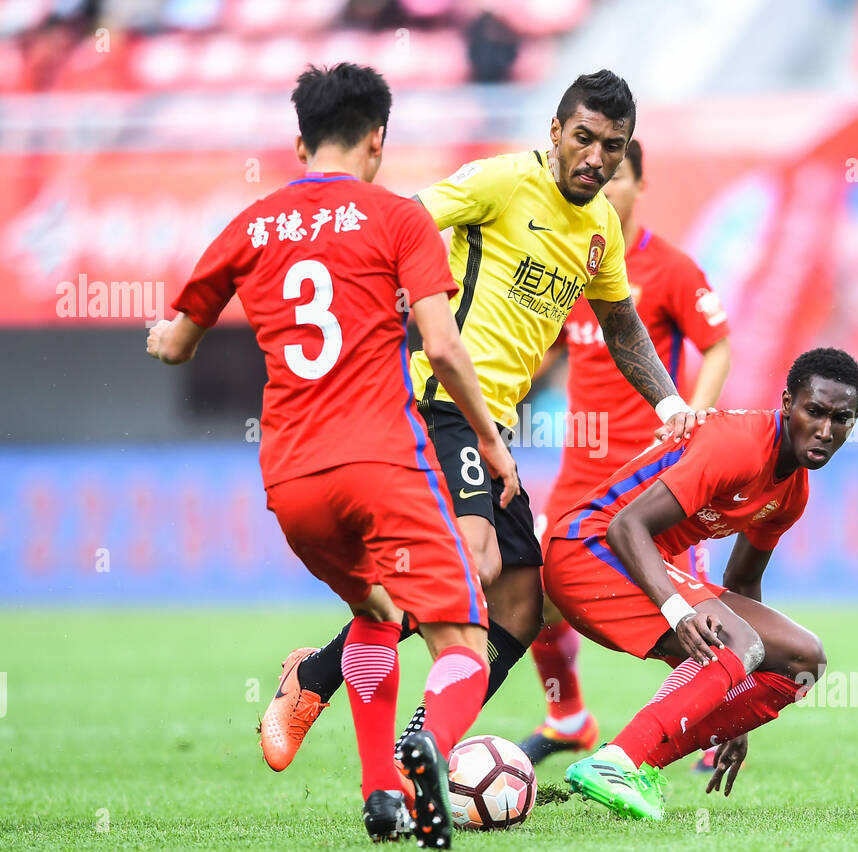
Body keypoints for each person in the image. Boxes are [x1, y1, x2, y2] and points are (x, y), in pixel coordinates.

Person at [266, 69, 705, 767]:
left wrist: (672, 402)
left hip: (492, 427)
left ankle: (421, 746)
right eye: (583, 138)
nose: (595, 157)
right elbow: (401, 221)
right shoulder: (502, 183)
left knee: (522, 605)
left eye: (612, 147)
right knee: (471, 564)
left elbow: (622, 328)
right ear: (555, 132)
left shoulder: (599, 232)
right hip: (438, 403)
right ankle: (314, 681)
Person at [145, 63, 518, 849]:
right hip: (383, 463)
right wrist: (488, 436)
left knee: (376, 612)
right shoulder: (397, 218)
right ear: (378, 136)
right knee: (465, 644)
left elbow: (177, 344)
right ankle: (431, 751)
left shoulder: (254, 224)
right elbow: (443, 348)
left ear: (299, 141)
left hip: (291, 481)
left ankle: (381, 795)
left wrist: (160, 336)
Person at [544, 348, 858, 820]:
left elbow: (742, 581)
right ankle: (620, 762)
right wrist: (679, 609)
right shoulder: (738, 444)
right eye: (813, 411)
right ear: (786, 404)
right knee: (733, 638)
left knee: (804, 657)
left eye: (841, 418)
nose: (824, 430)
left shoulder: (792, 491)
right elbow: (625, 527)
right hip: (587, 551)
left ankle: (633, 764)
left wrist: (736, 702)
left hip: (628, 560)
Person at [522, 138, 731, 765]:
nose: (606, 185)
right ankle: (569, 717)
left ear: (640, 186)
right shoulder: (566, 264)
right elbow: (546, 347)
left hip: (651, 478)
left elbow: (717, 345)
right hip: (577, 476)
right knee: (535, 592)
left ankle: (706, 717)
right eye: (600, 175)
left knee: (684, 608)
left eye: (618, 177)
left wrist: (694, 417)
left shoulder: (671, 268)